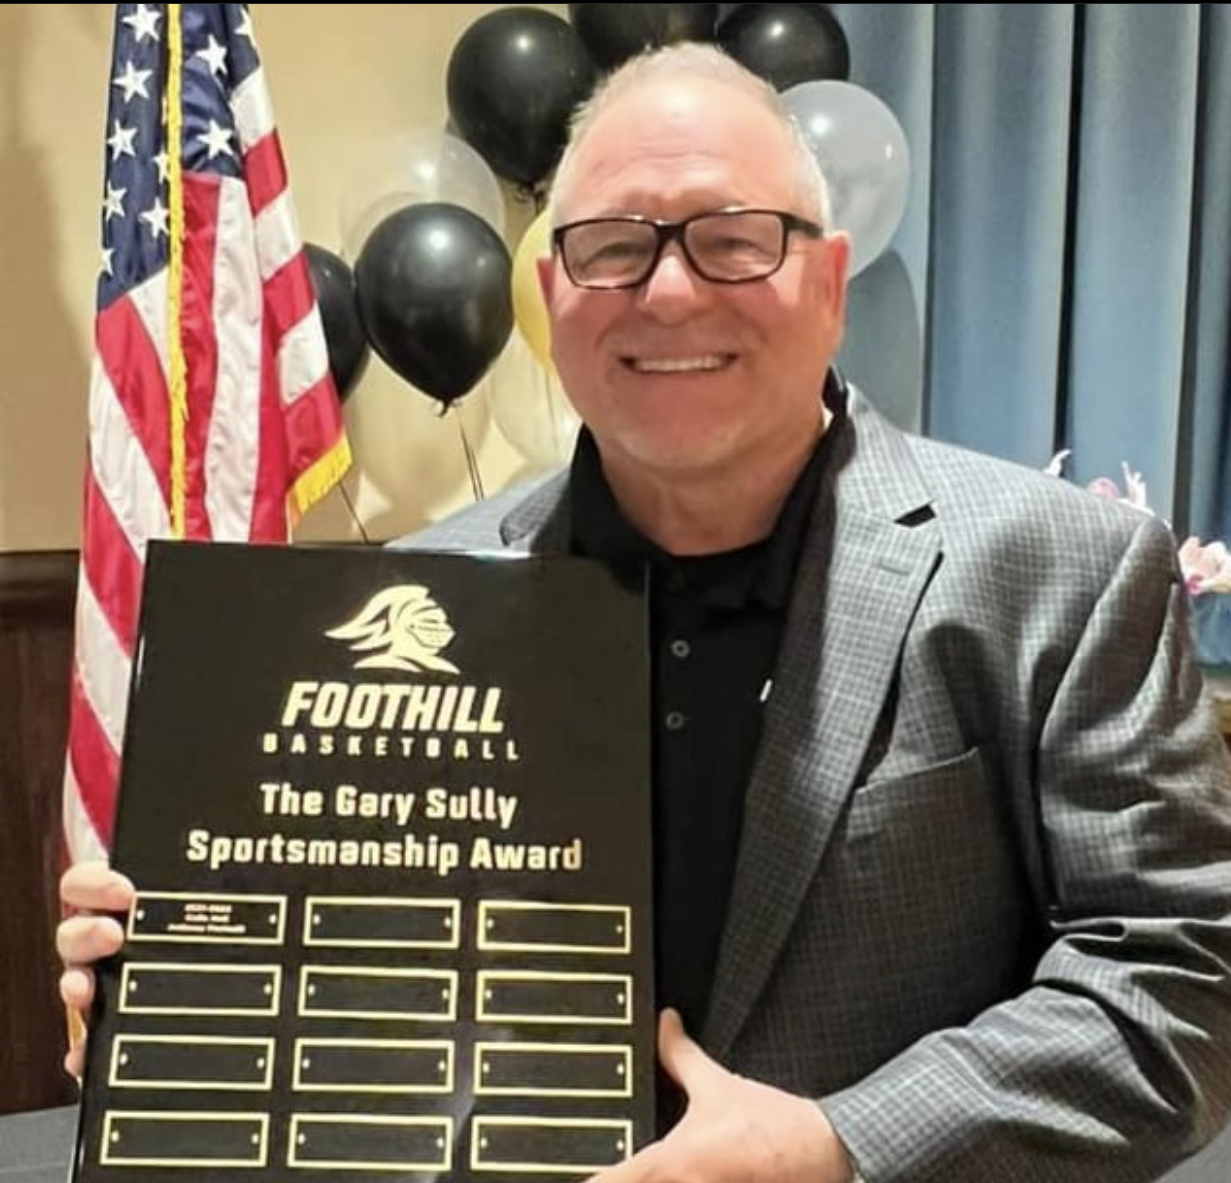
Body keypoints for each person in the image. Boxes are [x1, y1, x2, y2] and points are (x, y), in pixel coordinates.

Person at [58, 43, 1231, 1183]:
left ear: (827, 285)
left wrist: (843, 1150)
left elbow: (1183, 986)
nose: (668, 292)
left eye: (732, 241)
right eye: (614, 246)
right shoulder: (420, 597)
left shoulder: (1060, 571)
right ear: (553, 291)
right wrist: (170, 1002)